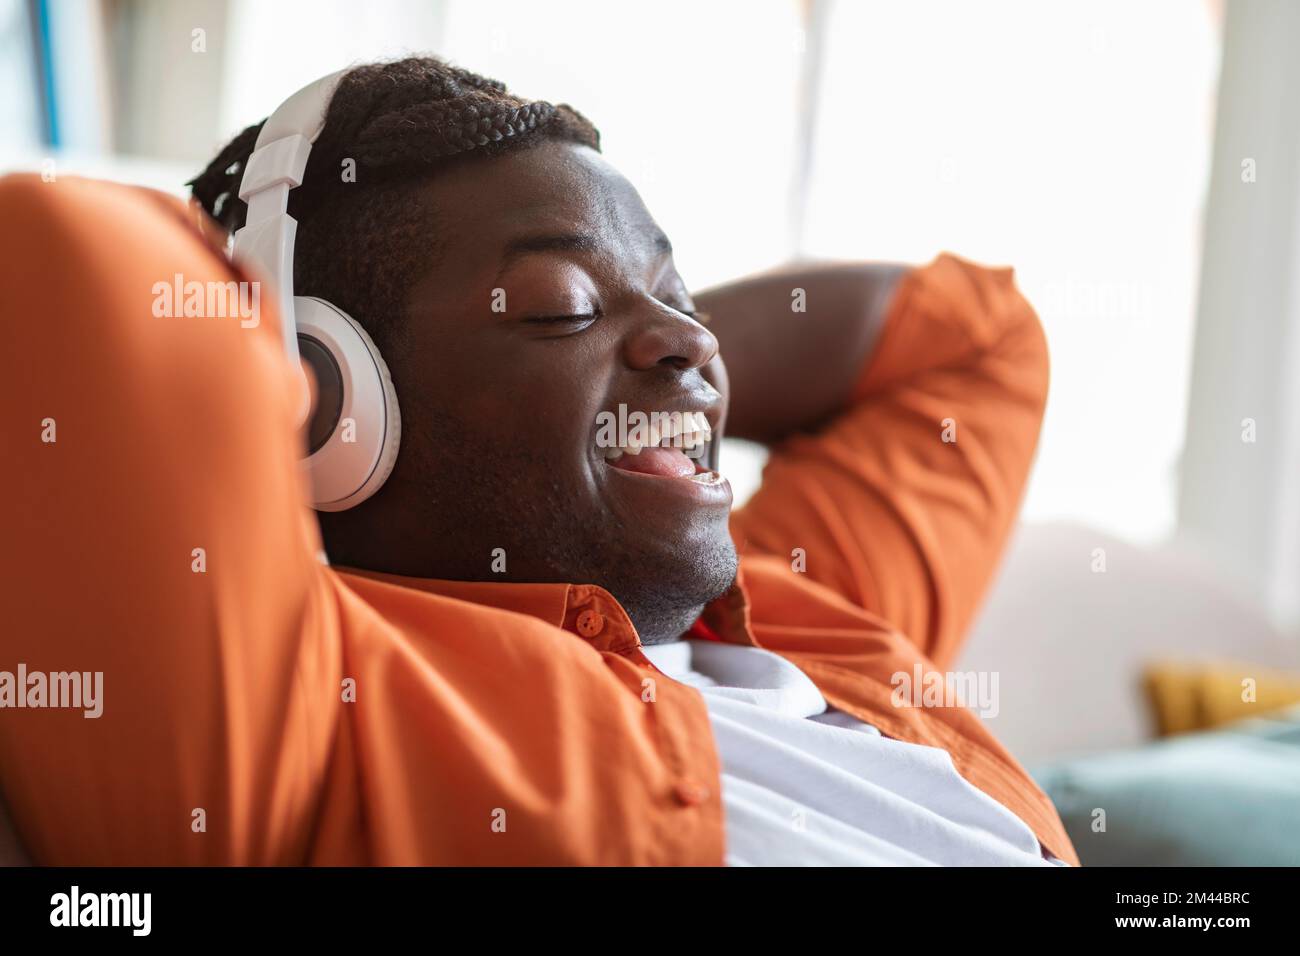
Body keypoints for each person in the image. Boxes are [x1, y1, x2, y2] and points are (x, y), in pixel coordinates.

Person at [0, 56, 1076, 865]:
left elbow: (980, 345)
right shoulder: (334, 707)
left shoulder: (803, 614)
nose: (698, 342)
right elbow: (59, 263)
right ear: (332, 405)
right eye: (557, 304)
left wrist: (637, 359)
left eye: (681, 294)